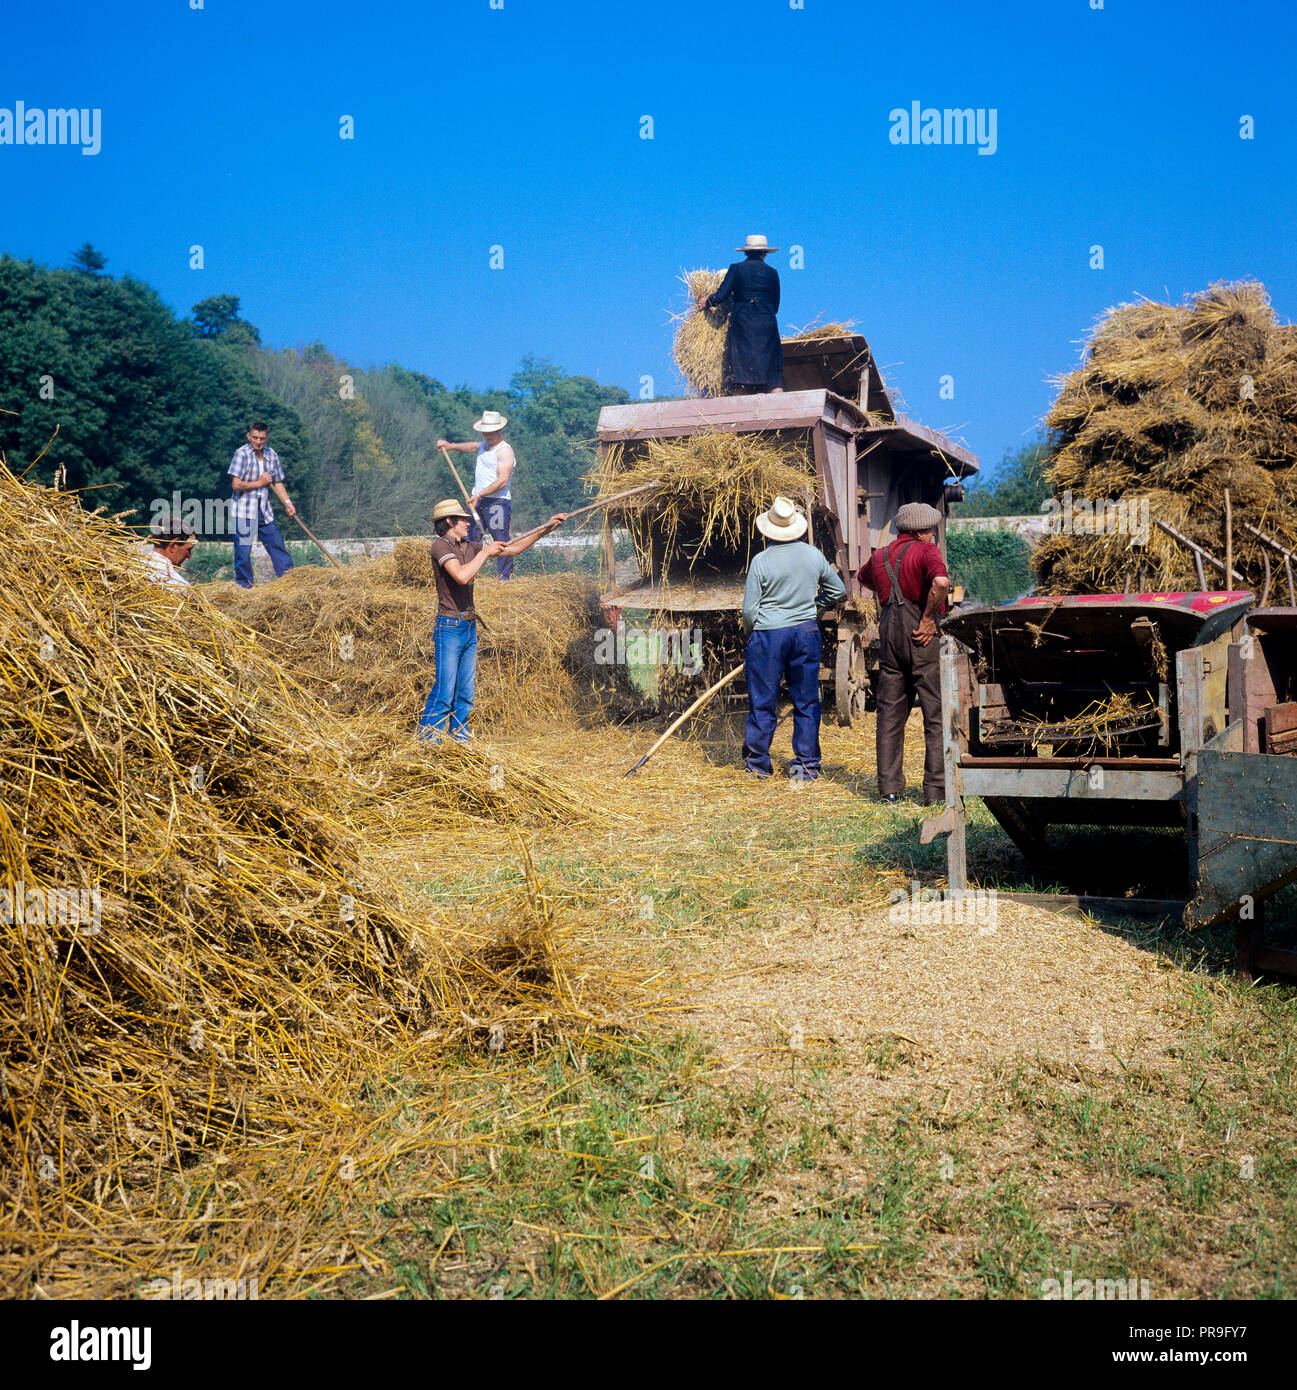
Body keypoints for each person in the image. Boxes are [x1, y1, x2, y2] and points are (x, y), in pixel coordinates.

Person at [417, 497, 570, 742]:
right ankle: (427, 743)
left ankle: (459, 740)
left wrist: (547, 527)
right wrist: (486, 551)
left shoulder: (470, 547)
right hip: (449, 626)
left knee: (465, 692)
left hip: (469, 625)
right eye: (463, 520)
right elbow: (462, 576)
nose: (468, 523)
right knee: (445, 691)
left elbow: (513, 548)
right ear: (449, 521)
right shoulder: (441, 547)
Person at [740, 496, 847, 781]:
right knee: (807, 701)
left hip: (768, 636)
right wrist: (814, 606)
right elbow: (838, 592)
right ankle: (807, 766)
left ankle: (758, 766)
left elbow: (750, 610)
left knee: (763, 701)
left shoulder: (760, 561)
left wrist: (753, 635)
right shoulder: (813, 555)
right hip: (804, 632)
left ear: (770, 529)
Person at [858, 502, 950, 805]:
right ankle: (935, 791)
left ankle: (890, 790)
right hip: (920, 635)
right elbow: (940, 582)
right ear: (924, 530)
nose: (934, 534)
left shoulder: (880, 555)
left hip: (890, 634)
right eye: (932, 529)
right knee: (934, 712)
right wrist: (927, 619)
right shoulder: (927, 551)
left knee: (890, 714)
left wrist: (890, 589)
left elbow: (864, 578)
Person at [697, 235, 785, 396]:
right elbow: (776, 304)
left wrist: (707, 301)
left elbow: (721, 295)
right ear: (764, 253)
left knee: (740, 375)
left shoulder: (736, 269)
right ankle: (777, 406)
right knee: (773, 376)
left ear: (746, 253)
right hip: (767, 322)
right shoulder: (773, 273)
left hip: (743, 322)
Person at [437, 410, 517, 579]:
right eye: (485, 432)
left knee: (500, 539)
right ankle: (469, 574)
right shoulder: (483, 445)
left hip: (497, 502)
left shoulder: (504, 451)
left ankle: (504, 577)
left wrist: (480, 494)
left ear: (499, 430)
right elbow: (473, 446)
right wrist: (451, 446)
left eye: (491, 432)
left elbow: (502, 481)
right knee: (471, 537)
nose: (487, 435)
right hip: (477, 501)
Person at [228, 420, 296, 589]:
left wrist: (288, 503)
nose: (258, 442)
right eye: (255, 438)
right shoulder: (241, 454)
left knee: (277, 546)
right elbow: (236, 484)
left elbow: (278, 482)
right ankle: (245, 587)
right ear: (249, 436)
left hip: (264, 511)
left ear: (267, 438)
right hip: (243, 511)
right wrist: (259, 483)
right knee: (243, 553)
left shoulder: (272, 455)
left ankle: (290, 583)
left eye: (262, 438)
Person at [143, 520, 196, 589]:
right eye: (188, 550)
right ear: (173, 546)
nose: (189, 556)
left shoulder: (132, 567)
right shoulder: (179, 586)